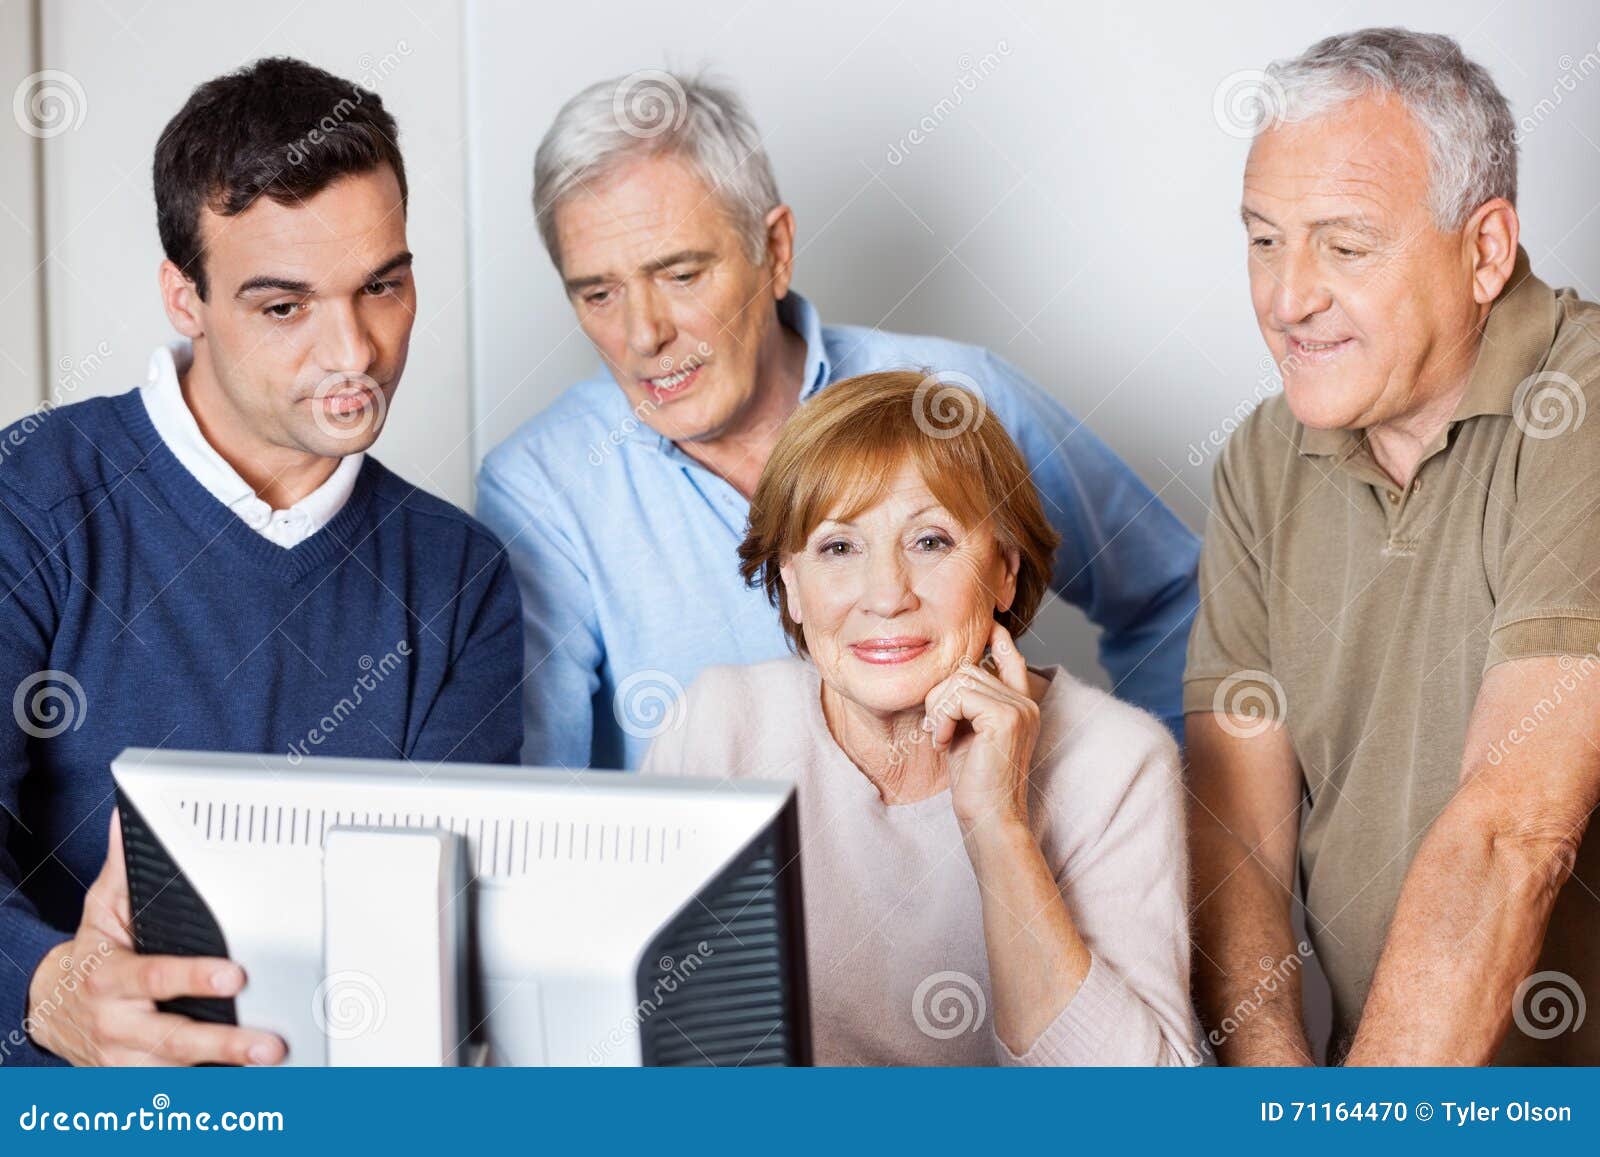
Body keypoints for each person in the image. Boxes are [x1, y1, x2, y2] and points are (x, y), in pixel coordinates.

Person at [0, 58, 522, 1067]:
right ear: (183, 297)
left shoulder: (459, 575)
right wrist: (44, 981)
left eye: (383, 286)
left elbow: (448, 949)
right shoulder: (31, 497)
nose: (354, 352)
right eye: (284, 307)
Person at [477, 71, 1199, 770]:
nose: (643, 335)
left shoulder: (953, 399)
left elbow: (1173, 592)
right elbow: (542, 796)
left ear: (776, 251)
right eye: (598, 293)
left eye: (681, 274)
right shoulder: (545, 485)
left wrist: (1172, 818)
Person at [1186, 28, 1600, 1065]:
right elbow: (1235, 841)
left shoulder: (1583, 404)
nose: (1287, 298)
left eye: (1344, 243)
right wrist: (1277, 1098)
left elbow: (1516, 831)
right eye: (1264, 238)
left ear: (1485, 251)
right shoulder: (1262, 454)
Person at [642, 371, 1198, 1065]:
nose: (886, 594)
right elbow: (645, 1052)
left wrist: (997, 825)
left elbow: (1137, 1120)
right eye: (839, 546)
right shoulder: (718, 726)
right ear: (789, 579)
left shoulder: (1116, 760)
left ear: (1003, 571)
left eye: (930, 541)